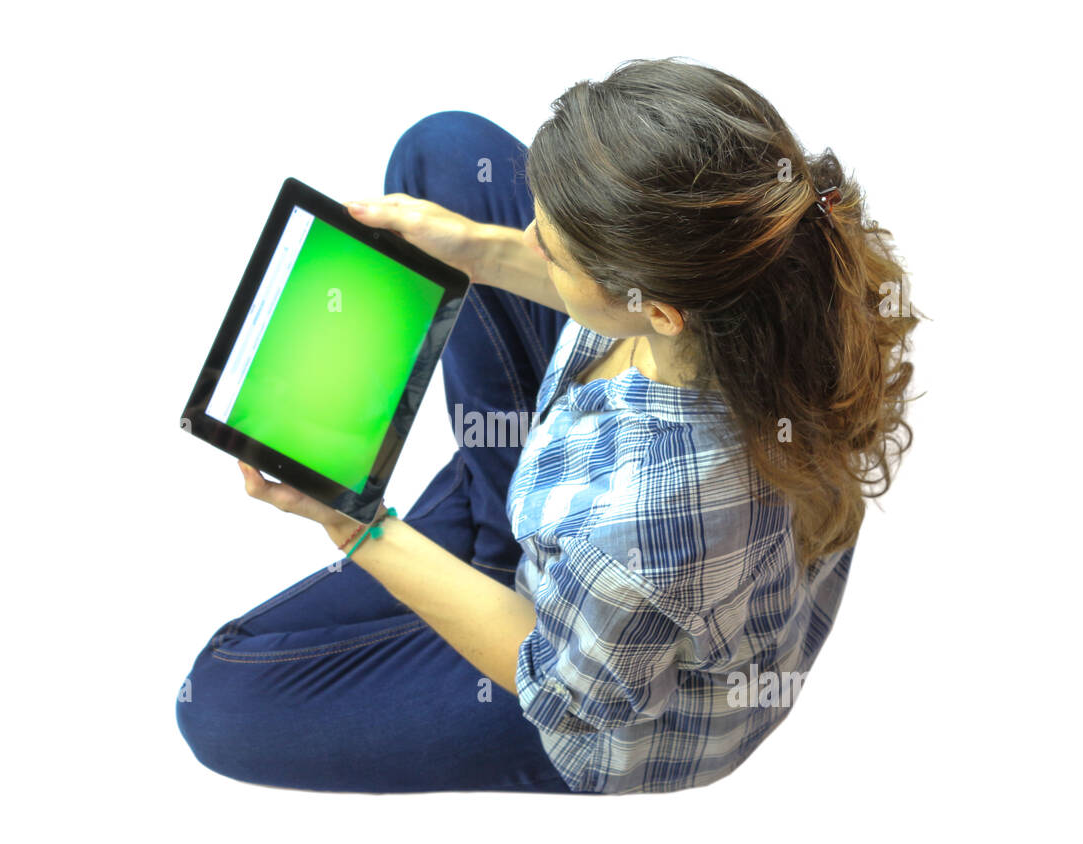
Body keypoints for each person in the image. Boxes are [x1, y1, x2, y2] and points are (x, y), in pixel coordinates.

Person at [175, 57, 921, 795]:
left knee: (218, 702)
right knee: (447, 153)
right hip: (635, 562)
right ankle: (501, 532)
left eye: (555, 249)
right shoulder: (768, 274)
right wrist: (472, 250)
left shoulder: (643, 526)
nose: (527, 234)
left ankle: (500, 550)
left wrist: (358, 528)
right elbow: (599, 299)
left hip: (597, 684)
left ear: (658, 312)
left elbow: (564, 690)